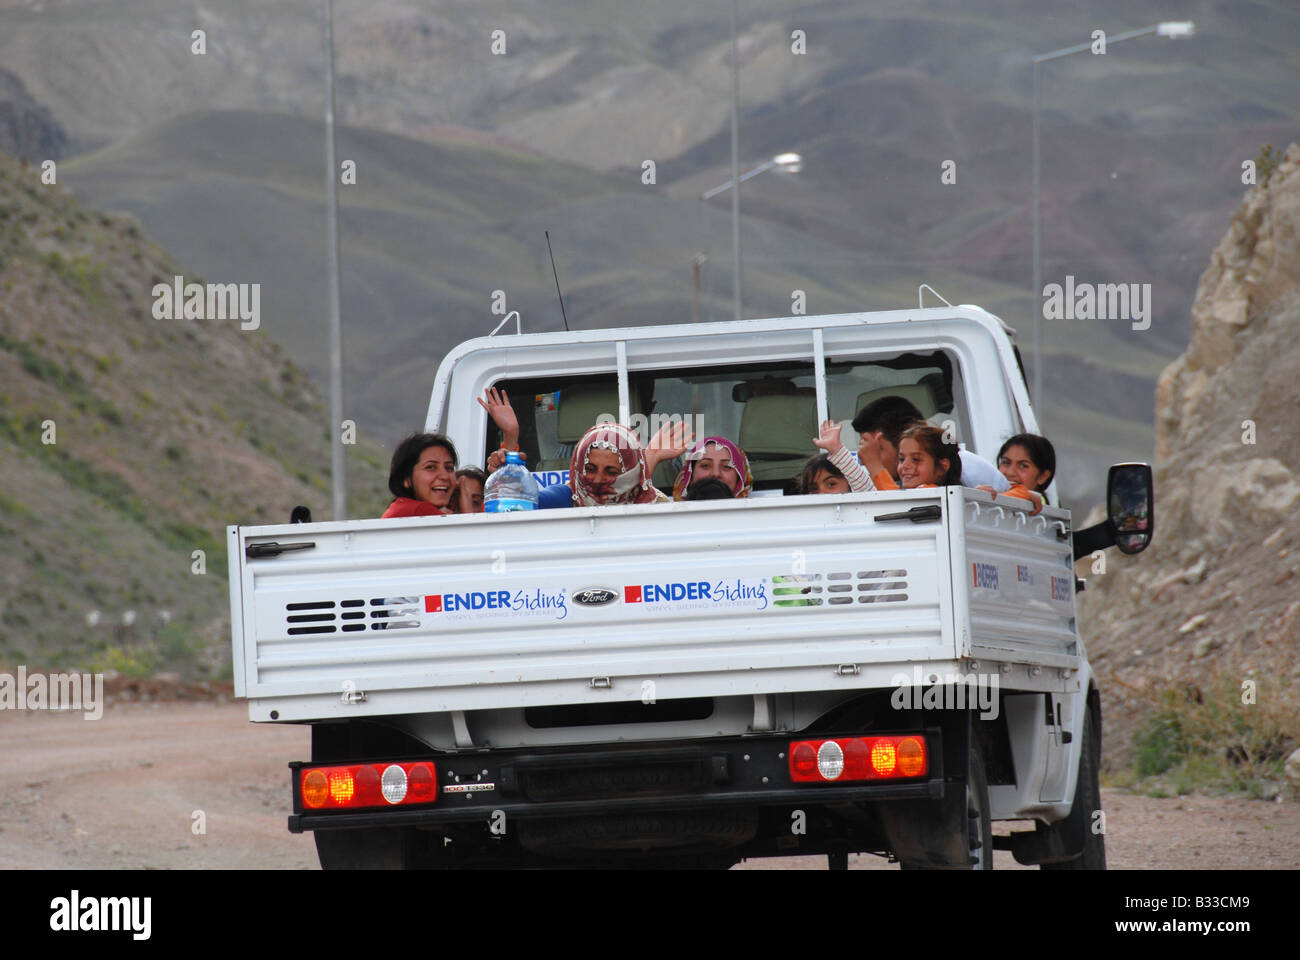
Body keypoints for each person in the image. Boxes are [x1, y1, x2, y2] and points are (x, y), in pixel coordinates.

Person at [851, 395, 1008, 492]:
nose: (867, 458)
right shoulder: (883, 476)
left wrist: (1028, 495)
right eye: (866, 451)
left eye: (877, 450)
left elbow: (1009, 499)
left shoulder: (966, 465)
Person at [538, 421, 679, 508]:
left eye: (611, 472)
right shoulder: (564, 498)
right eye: (590, 469)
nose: (598, 480)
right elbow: (523, 503)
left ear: (631, 475)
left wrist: (652, 455)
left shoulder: (656, 506)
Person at [860, 423, 962, 489]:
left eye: (916, 459)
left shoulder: (930, 492)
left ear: (942, 467)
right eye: (901, 459)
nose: (905, 465)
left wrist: (874, 464)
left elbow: (897, 503)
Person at [381, 432, 459, 517]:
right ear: (406, 479)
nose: (445, 476)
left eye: (449, 468)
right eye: (431, 467)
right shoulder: (420, 510)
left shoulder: (401, 507)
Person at [671, 436, 753, 500]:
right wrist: (657, 457)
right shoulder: (668, 517)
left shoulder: (756, 518)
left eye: (726, 467)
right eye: (705, 465)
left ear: (740, 478)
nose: (715, 474)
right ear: (690, 477)